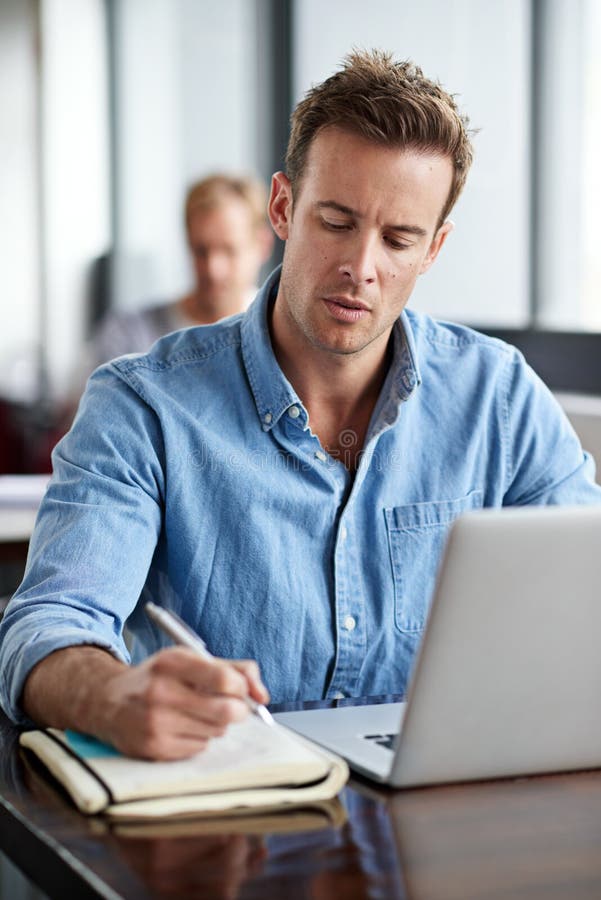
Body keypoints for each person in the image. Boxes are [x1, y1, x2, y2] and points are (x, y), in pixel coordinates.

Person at [1, 50, 600, 761]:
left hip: (441, 802)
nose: (361, 266)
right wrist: (109, 695)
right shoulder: (143, 404)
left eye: (398, 238)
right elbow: (48, 625)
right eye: (336, 221)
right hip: (220, 815)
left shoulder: (497, 397)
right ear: (283, 209)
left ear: (433, 248)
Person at [88, 173, 274, 366]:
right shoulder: (128, 334)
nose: (213, 270)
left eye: (229, 251)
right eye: (201, 251)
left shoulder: (278, 337)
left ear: (263, 245)